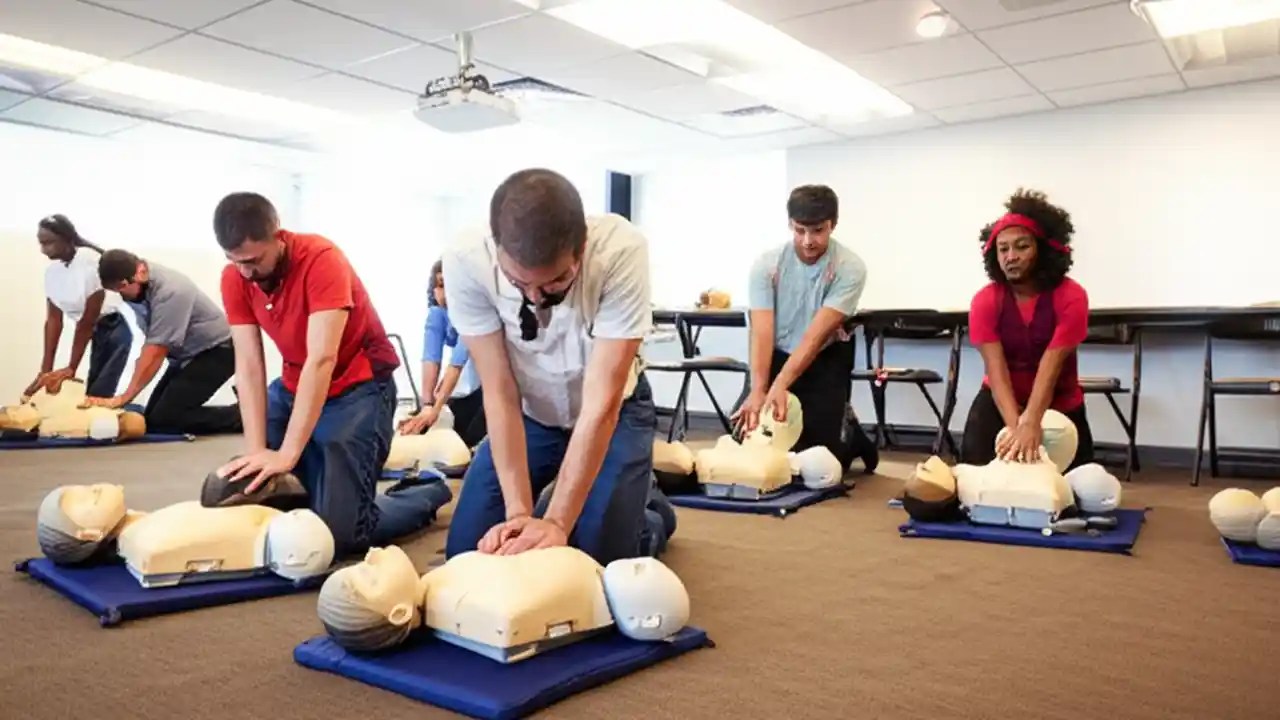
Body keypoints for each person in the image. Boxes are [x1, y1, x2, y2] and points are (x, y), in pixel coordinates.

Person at [441, 168, 673, 566]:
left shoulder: (621, 250)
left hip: (615, 412)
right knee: (469, 553)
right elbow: (498, 391)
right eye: (519, 284)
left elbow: (602, 403)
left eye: (554, 283)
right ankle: (616, 492)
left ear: (581, 247)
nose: (536, 297)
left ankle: (651, 515)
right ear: (497, 249)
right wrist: (518, 515)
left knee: (594, 560)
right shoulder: (465, 260)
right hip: (532, 414)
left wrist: (556, 523)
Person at [211, 192, 450, 558]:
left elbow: (322, 359)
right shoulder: (236, 277)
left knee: (342, 533)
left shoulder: (322, 259)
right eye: (234, 260)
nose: (245, 272)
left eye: (254, 260)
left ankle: (427, 489)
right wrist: (258, 451)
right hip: (294, 385)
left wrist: (287, 454)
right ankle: (318, 487)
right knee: (237, 490)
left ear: (278, 235)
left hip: (357, 386)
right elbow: (248, 364)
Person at [737, 184, 878, 474]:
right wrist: (759, 390)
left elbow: (815, 338)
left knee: (819, 461)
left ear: (833, 225)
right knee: (747, 435)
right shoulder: (766, 265)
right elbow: (762, 332)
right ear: (790, 224)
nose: (808, 240)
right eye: (800, 230)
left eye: (817, 231)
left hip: (825, 355)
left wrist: (779, 387)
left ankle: (850, 434)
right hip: (777, 350)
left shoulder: (850, 267)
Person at [961, 188, 1094, 470]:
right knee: (974, 475)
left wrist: (1032, 420)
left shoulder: (1071, 296)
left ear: (1042, 249)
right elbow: (995, 372)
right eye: (1003, 248)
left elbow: (1052, 365)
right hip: (1000, 402)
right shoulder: (985, 300)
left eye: (1022, 246)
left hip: (1060, 402)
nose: (1011, 256)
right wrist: (1016, 429)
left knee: (1076, 490)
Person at [86, 249, 242, 436]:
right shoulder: (133, 277)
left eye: (122, 288)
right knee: (153, 419)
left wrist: (124, 397)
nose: (120, 294)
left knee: (166, 419)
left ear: (139, 272)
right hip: (187, 355)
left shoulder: (171, 291)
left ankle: (243, 415)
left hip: (218, 351)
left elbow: (155, 351)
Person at [23, 215, 132, 401]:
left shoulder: (90, 261)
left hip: (112, 330)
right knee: (87, 395)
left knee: (97, 396)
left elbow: (87, 322)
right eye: (41, 243)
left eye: (49, 243)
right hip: (93, 331)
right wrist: (45, 371)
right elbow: (53, 321)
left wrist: (70, 368)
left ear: (67, 239)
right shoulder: (52, 272)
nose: (43, 249)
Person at [397, 259, 486, 447]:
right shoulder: (438, 313)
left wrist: (434, 410)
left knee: (468, 436)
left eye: (449, 285)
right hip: (472, 386)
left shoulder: (472, 311)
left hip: (496, 381)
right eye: (440, 285)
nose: (444, 293)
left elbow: (457, 363)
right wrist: (427, 406)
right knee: (452, 425)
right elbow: (430, 357)